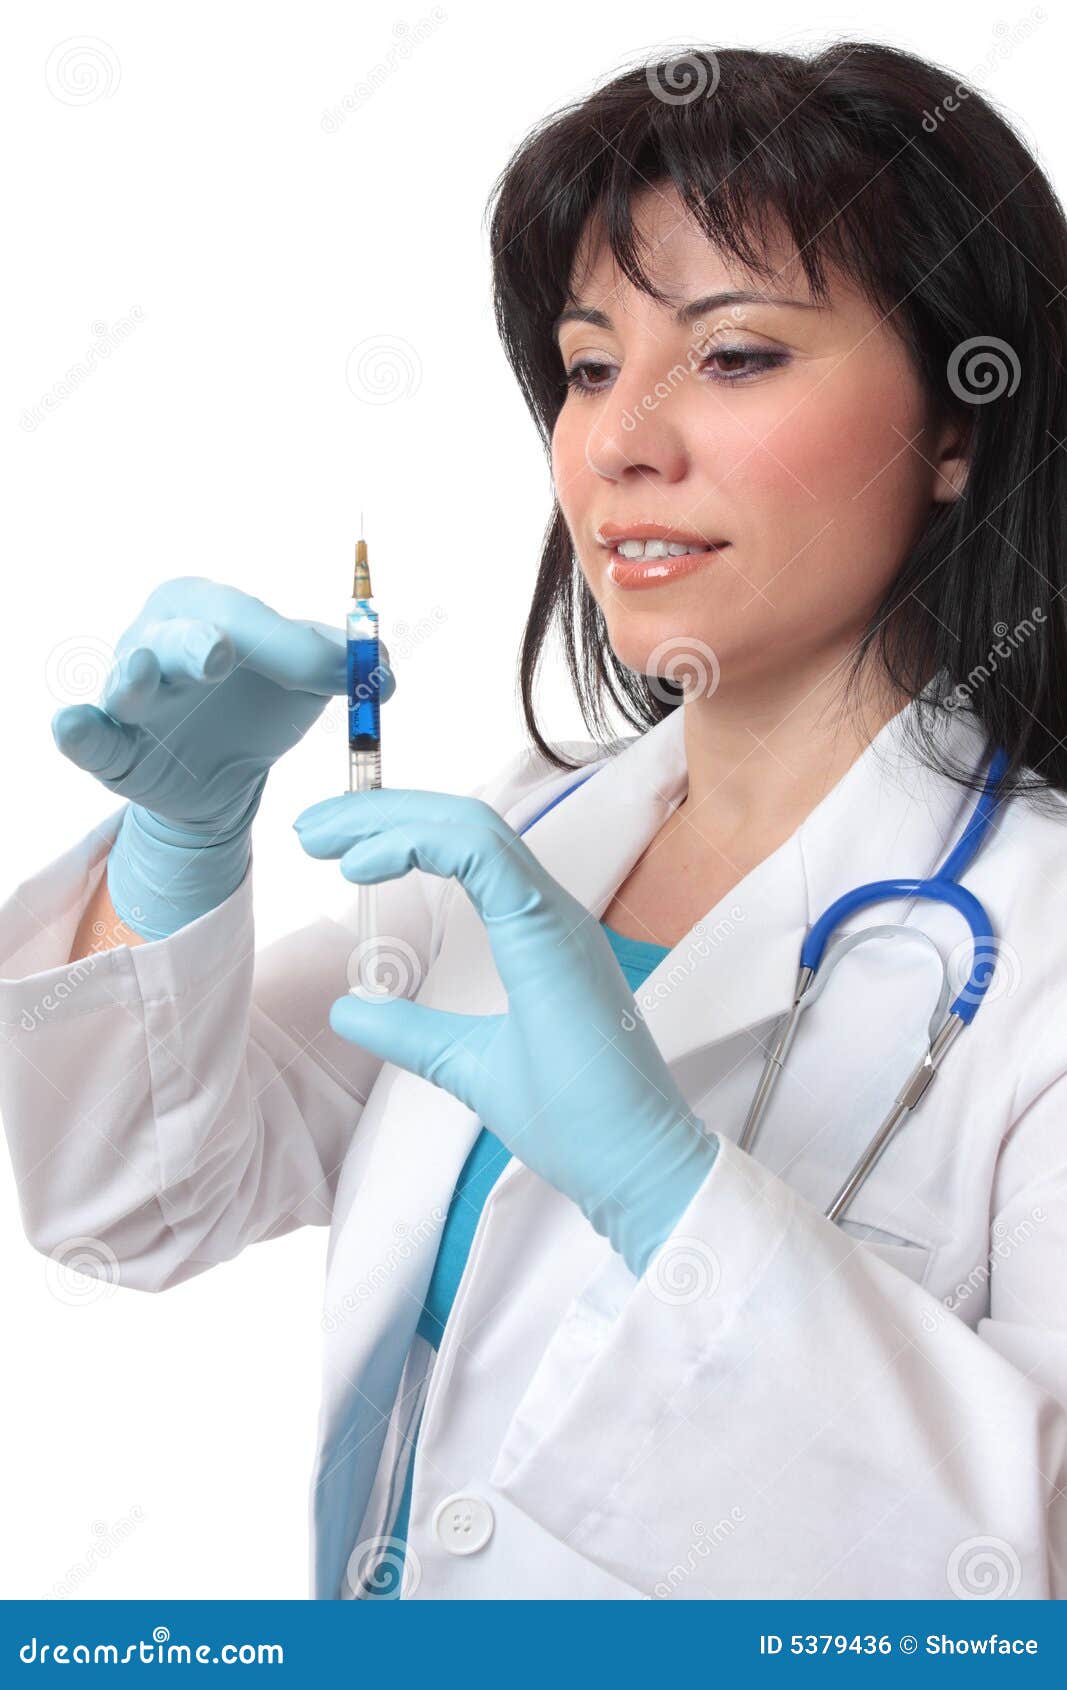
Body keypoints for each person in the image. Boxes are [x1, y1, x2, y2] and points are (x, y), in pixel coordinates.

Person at [2, 38, 1067, 1600]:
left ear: (962, 425)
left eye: (737, 354)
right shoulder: (521, 843)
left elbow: (1032, 1569)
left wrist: (670, 1195)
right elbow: (143, 1203)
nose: (621, 439)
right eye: (585, 364)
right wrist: (180, 847)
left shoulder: (1037, 949)